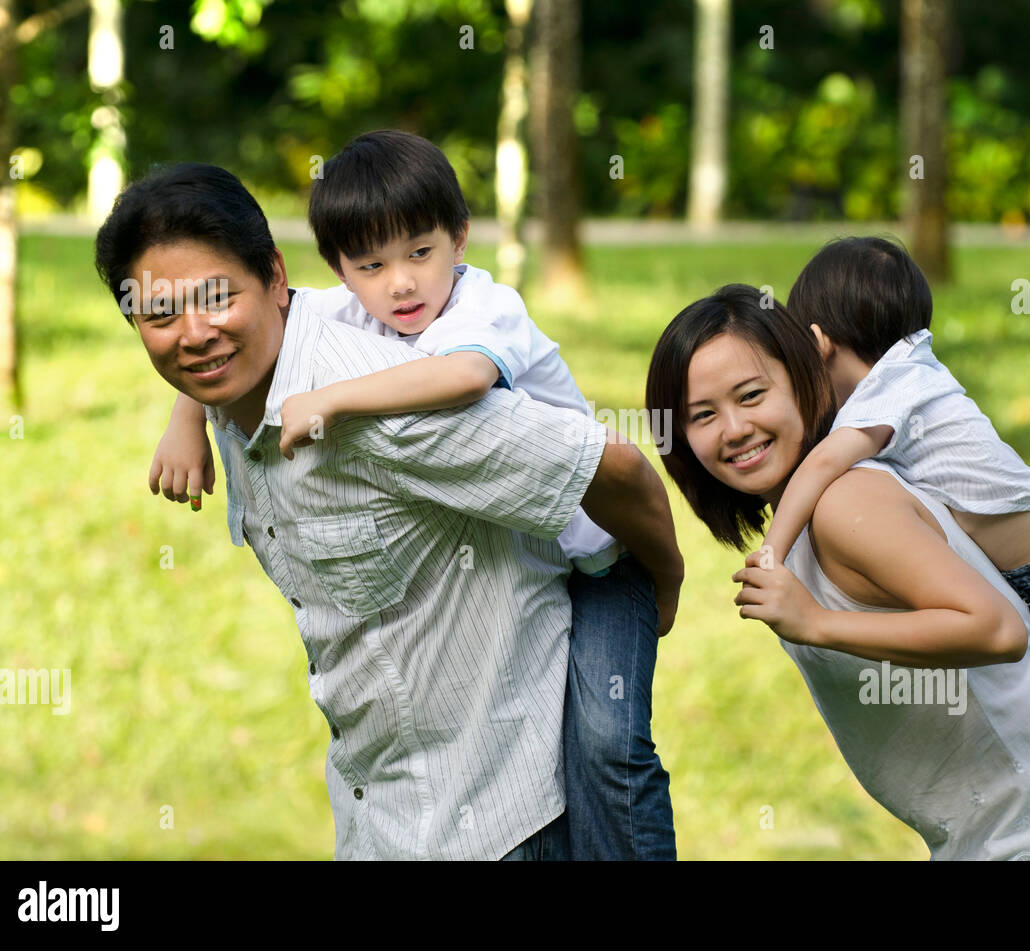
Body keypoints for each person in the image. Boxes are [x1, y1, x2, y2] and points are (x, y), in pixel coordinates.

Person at [94, 162, 685, 860]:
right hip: (380, 820)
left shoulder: (383, 404)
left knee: (615, 749)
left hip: (497, 822)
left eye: (216, 297)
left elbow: (610, 465)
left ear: (274, 278)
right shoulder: (236, 376)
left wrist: (661, 577)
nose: (192, 334)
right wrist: (187, 415)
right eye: (159, 314)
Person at [646, 285, 1030, 859]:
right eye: (702, 416)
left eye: (752, 395)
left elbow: (996, 630)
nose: (732, 429)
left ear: (805, 380)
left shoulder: (844, 503)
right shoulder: (805, 517)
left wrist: (817, 623)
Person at [754, 238, 1030, 861]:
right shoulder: (909, 373)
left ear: (817, 342)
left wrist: (771, 551)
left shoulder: (891, 387)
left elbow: (824, 461)